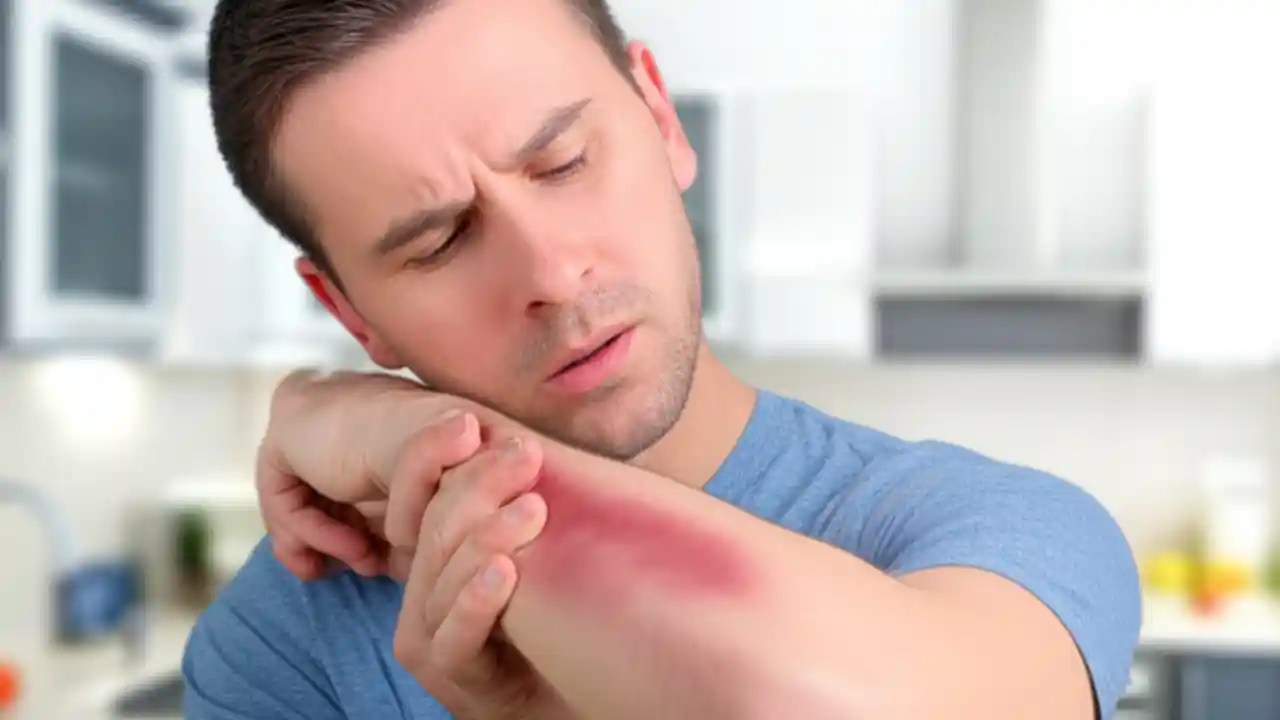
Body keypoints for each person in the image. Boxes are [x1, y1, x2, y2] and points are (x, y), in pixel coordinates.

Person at [182, 0, 1142, 718]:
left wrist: (400, 432)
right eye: (438, 244)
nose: (554, 273)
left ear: (662, 120)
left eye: (563, 163)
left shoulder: (992, 531)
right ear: (351, 312)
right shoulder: (285, 640)